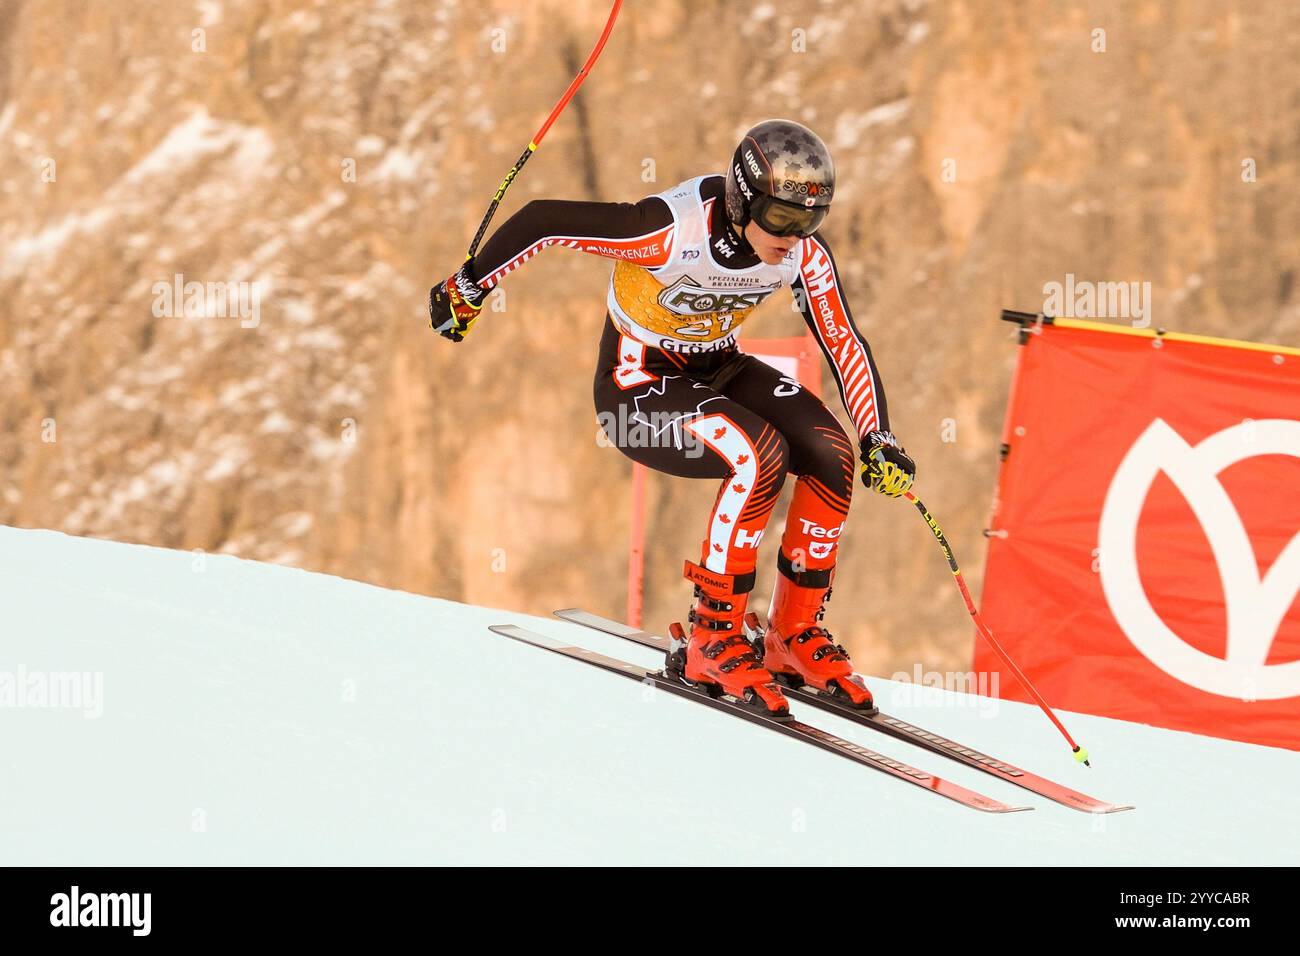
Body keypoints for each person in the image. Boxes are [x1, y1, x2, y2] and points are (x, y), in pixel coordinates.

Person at [430, 119, 915, 717]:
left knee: (832, 455)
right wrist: (468, 287)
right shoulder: (668, 230)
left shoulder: (801, 256)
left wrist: (879, 439)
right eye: (782, 220)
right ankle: (711, 636)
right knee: (758, 453)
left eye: (809, 221)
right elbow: (544, 221)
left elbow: (842, 339)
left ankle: (791, 633)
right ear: (743, 199)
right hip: (636, 388)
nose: (793, 238)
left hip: (718, 366)